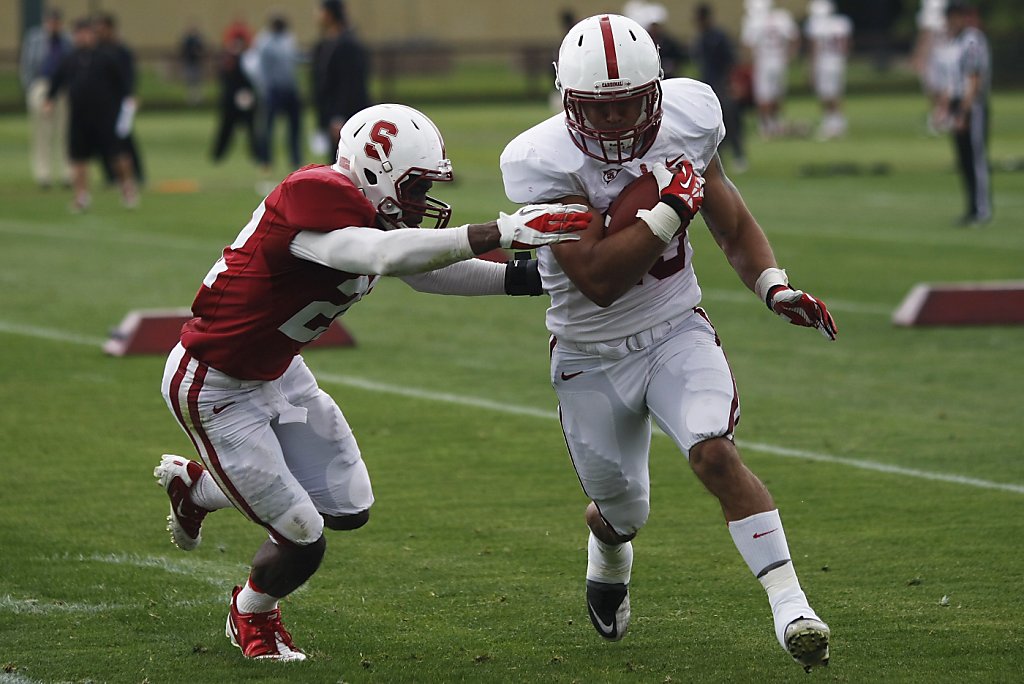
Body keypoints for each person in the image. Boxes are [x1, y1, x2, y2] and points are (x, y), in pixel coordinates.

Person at [153, 103, 589, 662]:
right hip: (215, 384)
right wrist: (500, 230)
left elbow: (422, 270)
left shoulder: (368, 214)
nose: (421, 201)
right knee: (303, 537)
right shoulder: (315, 195)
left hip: (280, 371)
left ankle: (197, 491)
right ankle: (252, 613)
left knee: (347, 507)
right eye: (415, 186)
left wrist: (529, 279)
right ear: (377, 169)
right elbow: (380, 255)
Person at [499, 14, 836, 673]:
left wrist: (773, 286)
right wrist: (670, 210)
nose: (615, 118)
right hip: (588, 355)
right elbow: (598, 280)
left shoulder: (690, 117)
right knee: (622, 510)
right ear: (568, 100)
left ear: (656, 89)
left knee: (714, 452)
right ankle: (609, 550)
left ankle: (792, 607)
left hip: (675, 328)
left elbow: (729, 220)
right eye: (599, 106)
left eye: (628, 101)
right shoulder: (542, 162)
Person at [45, 17, 136, 212]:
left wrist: (128, 99)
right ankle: (81, 196)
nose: (83, 37)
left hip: (105, 116)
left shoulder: (106, 57)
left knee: (116, 154)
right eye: (79, 34)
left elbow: (123, 82)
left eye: (87, 33)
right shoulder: (70, 59)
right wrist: (49, 99)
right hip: (79, 116)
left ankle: (127, 187)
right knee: (78, 158)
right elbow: (57, 80)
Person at [939, 0, 991, 226]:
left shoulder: (972, 40)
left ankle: (982, 209)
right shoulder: (954, 42)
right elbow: (952, 81)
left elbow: (974, 79)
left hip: (972, 105)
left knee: (976, 159)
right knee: (964, 160)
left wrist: (963, 112)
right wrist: (945, 108)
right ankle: (972, 207)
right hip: (958, 103)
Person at [311, 0, 371, 164]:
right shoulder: (325, 43)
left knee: (347, 162)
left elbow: (350, 84)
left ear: (330, 14)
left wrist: (339, 116)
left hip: (345, 115)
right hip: (329, 112)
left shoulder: (347, 44)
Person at [19, 8, 73, 190]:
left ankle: (67, 173)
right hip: (41, 84)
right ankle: (43, 174)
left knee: (65, 131)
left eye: (56, 22)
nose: (53, 26)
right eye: (51, 22)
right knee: (42, 132)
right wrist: (31, 87)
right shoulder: (34, 39)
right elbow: (26, 65)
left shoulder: (67, 40)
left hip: (63, 88)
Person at [94, 12, 143, 196]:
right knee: (104, 139)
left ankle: (135, 174)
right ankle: (111, 175)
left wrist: (131, 95)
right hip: (103, 103)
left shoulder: (121, 51)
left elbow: (129, 75)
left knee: (124, 138)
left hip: (120, 102)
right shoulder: (97, 50)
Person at [694, 3, 747, 172]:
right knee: (711, 124)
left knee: (730, 121)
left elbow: (731, 61)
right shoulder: (700, 39)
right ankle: (718, 157)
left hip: (722, 85)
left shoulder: (719, 37)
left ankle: (739, 155)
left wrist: (732, 83)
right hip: (707, 86)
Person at [252, 13, 304, 179]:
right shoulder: (264, 42)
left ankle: (296, 160)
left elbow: (294, 59)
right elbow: (261, 69)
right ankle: (266, 161)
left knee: (295, 127)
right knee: (268, 127)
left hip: (290, 89)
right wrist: (264, 90)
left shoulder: (288, 39)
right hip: (273, 91)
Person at [741, 0, 799, 138]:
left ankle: (766, 125)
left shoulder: (753, 22)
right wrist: (789, 56)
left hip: (763, 62)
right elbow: (794, 38)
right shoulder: (782, 18)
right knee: (777, 94)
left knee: (763, 95)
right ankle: (776, 122)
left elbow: (747, 44)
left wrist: (749, 60)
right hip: (779, 61)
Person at [804, 0, 853, 140]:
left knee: (826, 95)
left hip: (824, 64)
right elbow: (846, 46)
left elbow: (814, 50)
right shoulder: (841, 22)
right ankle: (837, 122)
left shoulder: (817, 26)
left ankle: (831, 124)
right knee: (836, 94)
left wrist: (810, 69)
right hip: (838, 63)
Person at [210, 31, 260, 164]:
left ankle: (256, 154)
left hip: (245, 99)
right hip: (231, 101)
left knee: (251, 129)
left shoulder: (247, 58)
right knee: (226, 128)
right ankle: (218, 155)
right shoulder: (229, 59)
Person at [179, 20, 207, 106]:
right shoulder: (186, 39)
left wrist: (199, 53)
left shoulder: (198, 39)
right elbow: (182, 50)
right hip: (189, 62)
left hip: (197, 63)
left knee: (197, 81)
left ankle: (198, 99)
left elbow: (202, 49)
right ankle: (190, 99)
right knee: (190, 81)